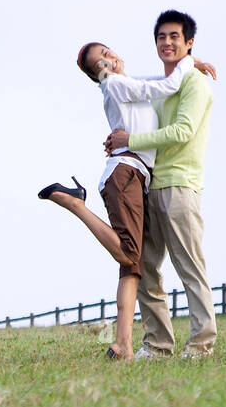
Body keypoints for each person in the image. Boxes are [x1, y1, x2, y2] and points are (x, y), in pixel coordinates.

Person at [38, 42, 214, 359]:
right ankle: (76, 203)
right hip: (126, 173)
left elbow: (155, 84)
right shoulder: (116, 84)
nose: (107, 61)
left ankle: (124, 345)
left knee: (132, 266)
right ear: (99, 75)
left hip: (135, 176)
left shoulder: (127, 85)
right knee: (130, 253)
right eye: (98, 64)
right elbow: (168, 84)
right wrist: (188, 62)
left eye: (107, 53)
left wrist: (190, 63)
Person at [105, 10, 216, 358]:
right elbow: (133, 91)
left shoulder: (195, 83)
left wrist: (128, 139)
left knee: (189, 267)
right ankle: (157, 345)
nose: (167, 43)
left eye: (174, 37)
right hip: (149, 186)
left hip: (180, 186)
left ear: (188, 43)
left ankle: (201, 344)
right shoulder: (159, 85)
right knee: (146, 267)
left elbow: (182, 131)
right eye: (161, 37)